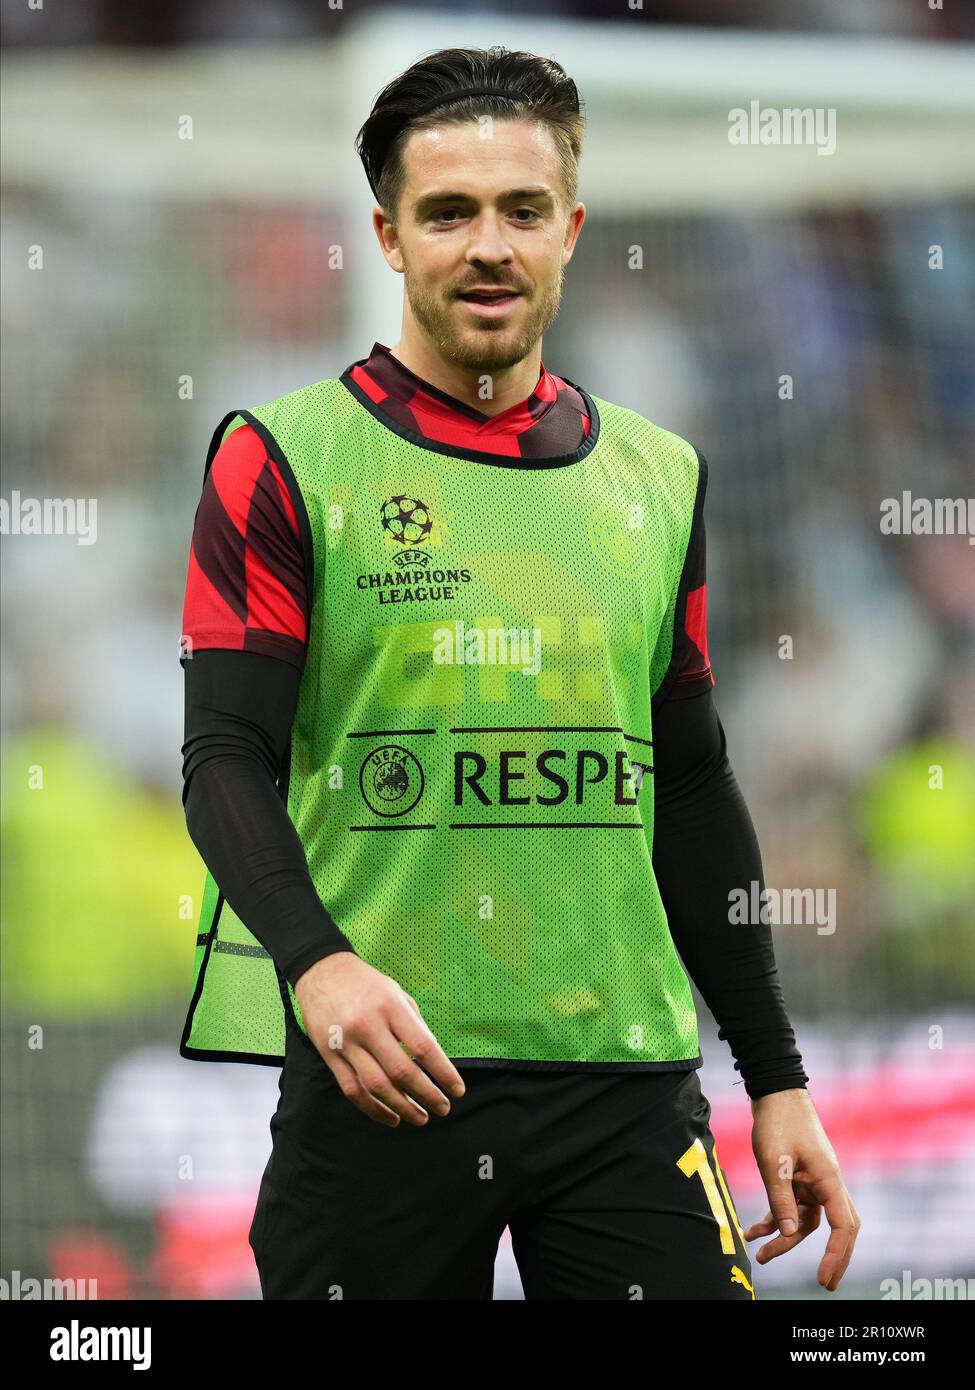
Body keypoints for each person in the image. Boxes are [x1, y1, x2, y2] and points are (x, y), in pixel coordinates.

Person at [178, 45, 859, 1300]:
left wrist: (776, 1076)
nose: (487, 245)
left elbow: (694, 785)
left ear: (572, 228)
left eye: (520, 210)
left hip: (625, 1083)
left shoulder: (661, 475)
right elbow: (223, 758)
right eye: (447, 212)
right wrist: (317, 962)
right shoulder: (280, 459)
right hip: (384, 1077)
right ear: (386, 235)